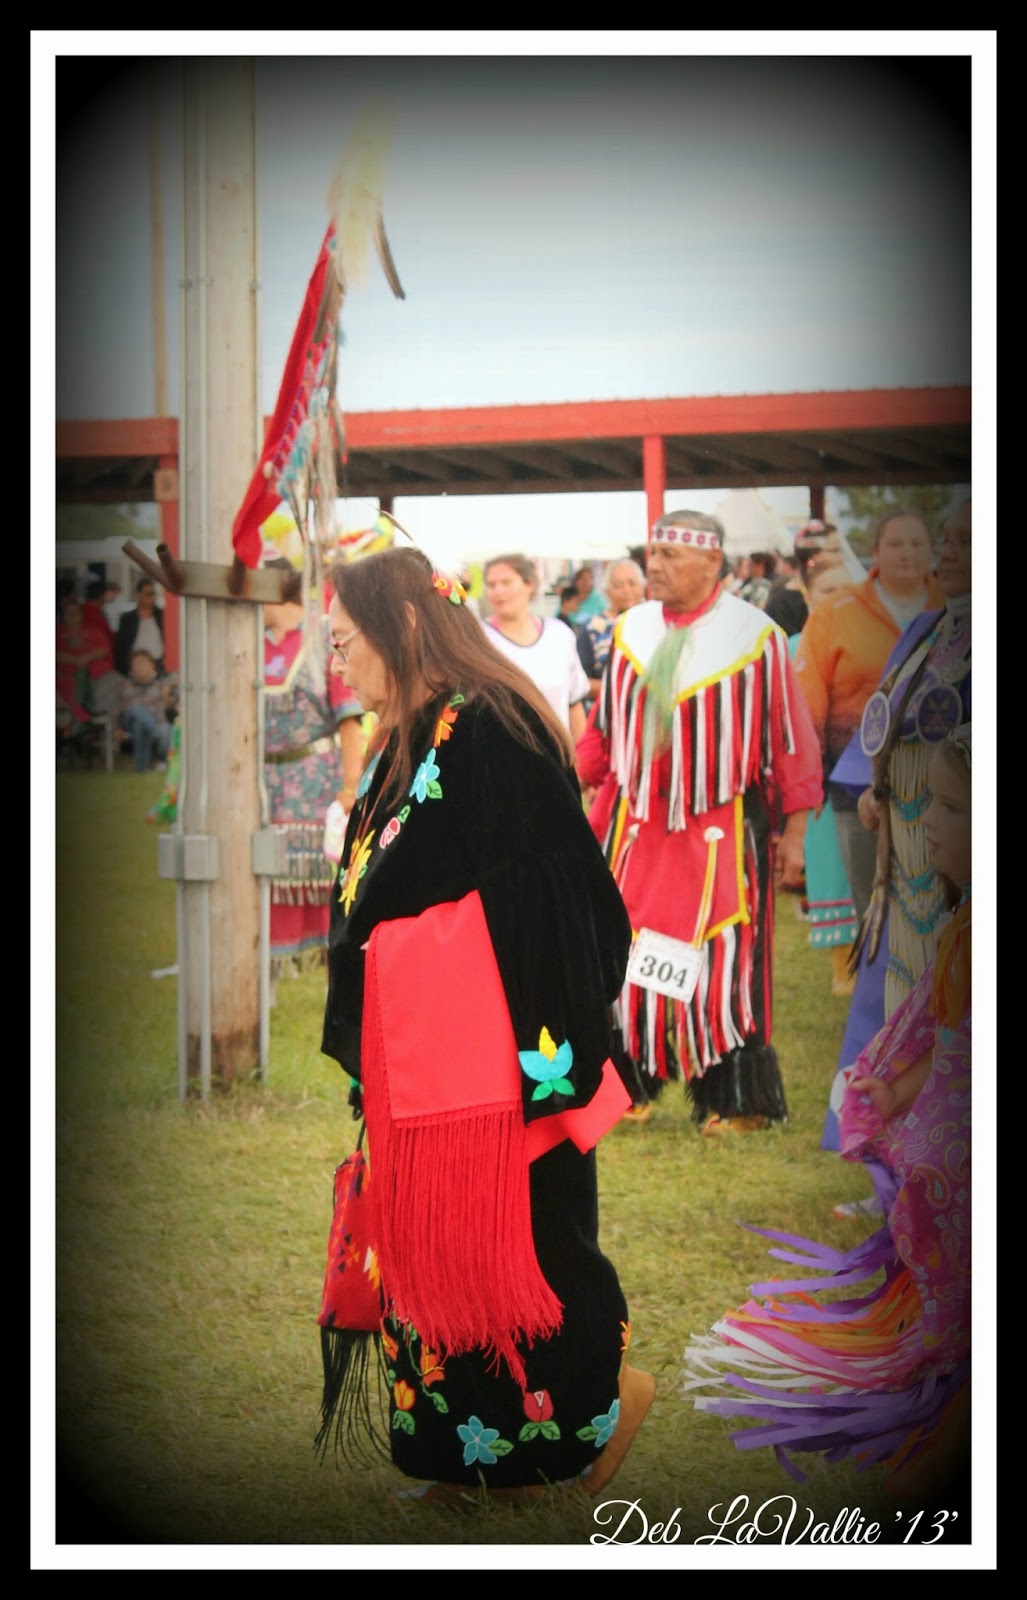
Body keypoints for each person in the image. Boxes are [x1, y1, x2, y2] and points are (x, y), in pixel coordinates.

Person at [317, 544, 654, 1503]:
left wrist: (518, 1041)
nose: (338, 660)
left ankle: (575, 1428)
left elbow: (555, 891)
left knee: (532, 1245)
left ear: (404, 626)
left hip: (506, 1053)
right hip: (419, 1058)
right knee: (425, 1246)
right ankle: (462, 1451)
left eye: (346, 641)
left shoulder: (491, 727)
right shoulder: (411, 731)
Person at [684, 725, 971, 1512]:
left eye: (952, 807)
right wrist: (899, 1091)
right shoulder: (962, 928)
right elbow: (954, 1040)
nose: (928, 824)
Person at [576, 509, 823, 1133]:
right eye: (651, 553)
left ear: (712, 562)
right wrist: (569, 792)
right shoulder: (628, 632)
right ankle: (629, 1083)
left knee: (723, 959)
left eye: (668, 556)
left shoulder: (755, 638)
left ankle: (735, 1096)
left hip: (719, 829)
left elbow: (789, 742)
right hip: (637, 831)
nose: (652, 565)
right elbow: (603, 740)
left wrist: (795, 832)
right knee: (626, 953)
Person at [821, 495, 972, 1163]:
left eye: (963, 539)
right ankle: (876, 1143)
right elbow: (884, 714)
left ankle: (939, 1157)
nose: (945, 552)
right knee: (894, 993)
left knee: (954, 1003)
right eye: (948, 537)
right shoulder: (927, 631)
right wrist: (874, 785)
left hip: (960, 859)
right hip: (903, 851)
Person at [793, 509, 942, 936]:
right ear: (874, 552)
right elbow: (809, 704)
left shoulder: (954, 607)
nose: (907, 554)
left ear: (931, 551)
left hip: (941, 785)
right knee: (871, 906)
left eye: (917, 544)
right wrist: (811, 779)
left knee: (938, 909)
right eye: (895, 544)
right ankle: (877, 999)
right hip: (854, 785)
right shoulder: (836, 612)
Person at [262, 555, 366, 979]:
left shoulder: (323, 635)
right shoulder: (251, 639)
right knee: (266, 866)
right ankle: (270, 961)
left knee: (322, 873)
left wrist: (351, 784)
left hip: (316, 776)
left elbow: (349, 717)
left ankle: (332, 964)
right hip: (266, 778)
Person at [787, 561, 861, 996]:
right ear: (808, 597)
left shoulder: (872, 641)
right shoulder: (792, 646)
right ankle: (843, 972)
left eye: (843, 589)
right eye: (826, 588)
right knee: (832, 870)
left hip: (864, 774)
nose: (835, 597)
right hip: (817, 779)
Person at [480, 553, 591, 741]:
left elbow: (574, 704)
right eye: (491, 585)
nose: (498, 591)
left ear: (529, 584)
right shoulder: (478, 638)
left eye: (506, 583)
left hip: (557, 757)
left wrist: (580, 762)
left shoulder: (559, 635)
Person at [576, 558, 647, 702]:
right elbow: (581, 681)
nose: (627, 590)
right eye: (618, 585)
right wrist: (624, 690)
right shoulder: (592, 629)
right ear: (606, 591)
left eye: (632, 583)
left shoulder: (657, 622)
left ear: (643, 586)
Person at [55, 595, 123, 724]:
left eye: (75, 613)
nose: (72, 616)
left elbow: (104, 649)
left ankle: (107, 725)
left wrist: (86, 657)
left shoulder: (93, 630)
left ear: (81, 615)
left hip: (96, 677)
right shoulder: (57, 633)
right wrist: (74, 659)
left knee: (115, 682)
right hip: (66, 677)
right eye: (68, 613)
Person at [115, 649, 178, 773]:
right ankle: (156, 734)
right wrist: (116, 728)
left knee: (143, 725)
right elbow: (116, 710)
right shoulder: (124, 685)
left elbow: (172, 708)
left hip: (155, 723)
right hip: (129, 723)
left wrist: (167, 699)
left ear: (152, 666)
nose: (139, 667)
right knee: (137, 708)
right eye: (136, 664)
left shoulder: (161, 684)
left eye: (143, 663)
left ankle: (141, 769)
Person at [114, 577, 165, 677]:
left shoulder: (161, 616)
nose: (152, 598)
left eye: (153, 594)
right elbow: (121, 646)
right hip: (135, 667)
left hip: (158, 666)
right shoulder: (128, 619)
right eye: (148, 594)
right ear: (139, 594)